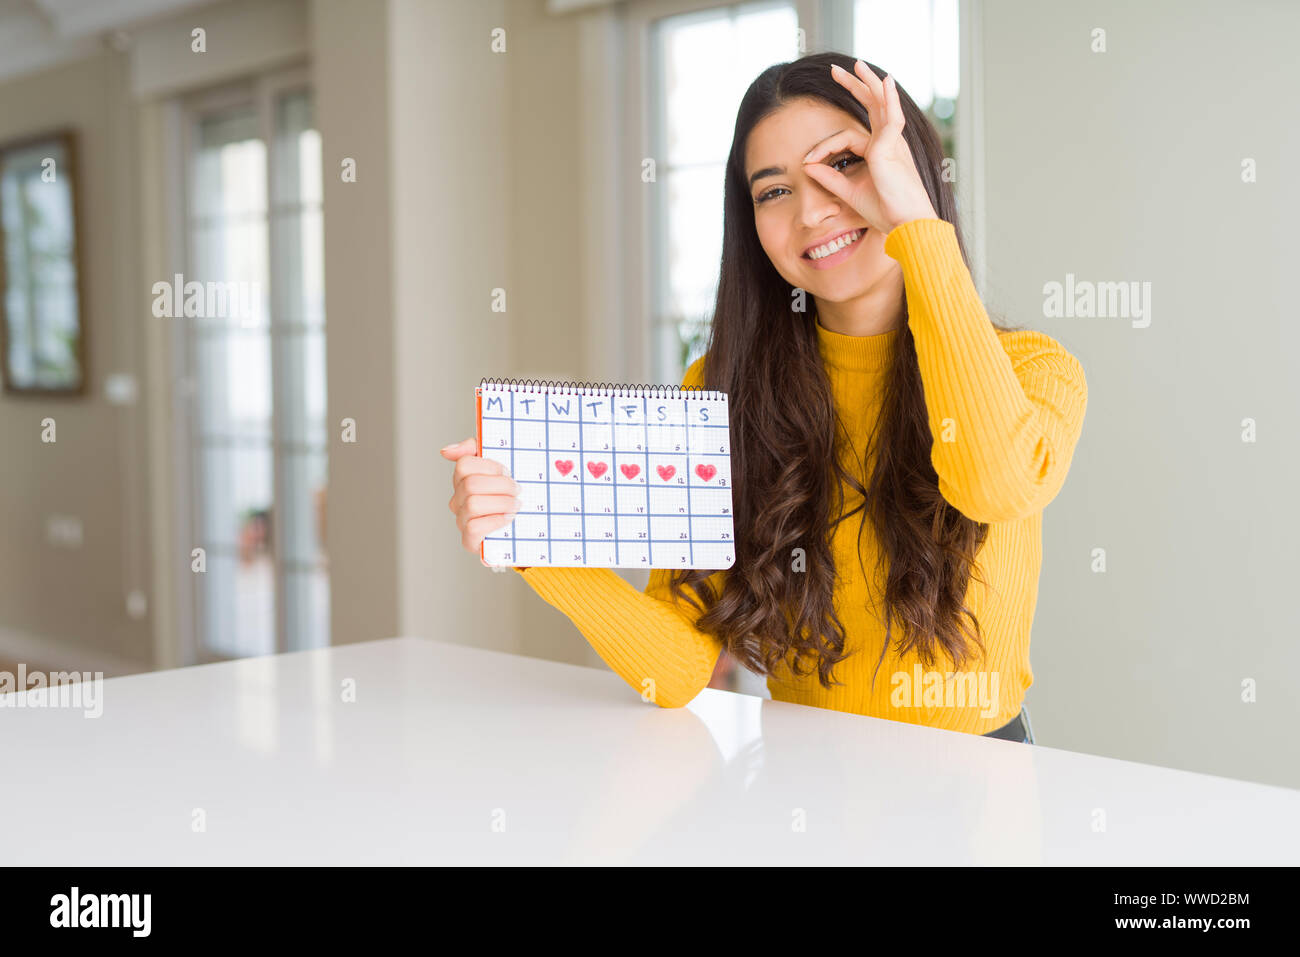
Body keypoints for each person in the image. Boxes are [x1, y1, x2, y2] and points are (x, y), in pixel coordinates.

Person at [443, 51, 1085, 743]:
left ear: (908, 173)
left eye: (842, 164)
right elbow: (680, 667)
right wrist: (537, 541)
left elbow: (993, 486)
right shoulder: (721, 392)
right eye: (773, 191)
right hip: (799, 783)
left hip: (978, 792)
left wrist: (917, 231)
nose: (811, 211)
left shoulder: (1031, 369)